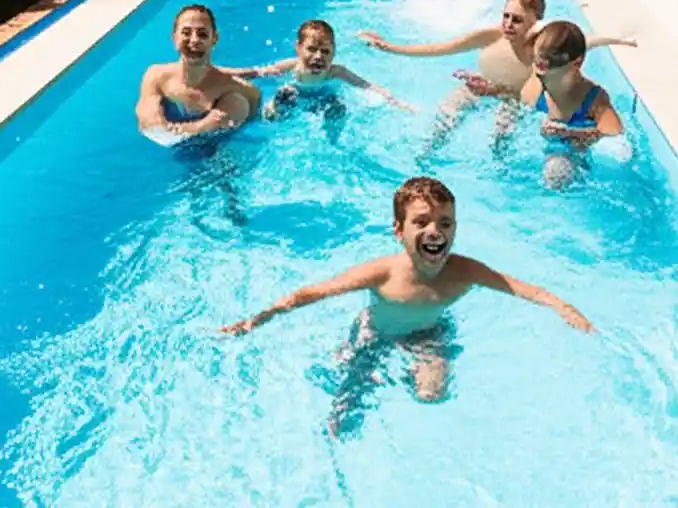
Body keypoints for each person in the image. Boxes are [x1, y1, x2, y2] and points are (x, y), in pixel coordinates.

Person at [221, 176, 594, 436]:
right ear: (399, 231)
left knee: (431, 396)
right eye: (422, 222)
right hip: (375, 332)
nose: (435, 231)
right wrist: (257, 320)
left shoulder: (465, 271)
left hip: (430, 335)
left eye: (445, 223)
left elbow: (523, 289)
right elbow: (314, 293)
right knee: (347, 402)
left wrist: (566, 309)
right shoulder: (382, 273)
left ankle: (404, 377)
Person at [354, 0, 634, 151]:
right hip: (478, 88)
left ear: (535, 23)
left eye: (517, 20)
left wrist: (617, 40)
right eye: (506, 16)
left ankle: (500, 170)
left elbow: (582, 43)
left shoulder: (541, 49)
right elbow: (438, 48)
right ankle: (427, 154)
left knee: (500, 137)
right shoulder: (489, 37)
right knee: (446, 115)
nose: (508, 24)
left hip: (512, 98)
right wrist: (388, 47)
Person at [226, 19, 414, 118]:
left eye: (325, 51)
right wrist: (227, 78)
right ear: (298, 48)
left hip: (323, 96)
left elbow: (366, 85)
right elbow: (258, 72)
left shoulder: (336, 72)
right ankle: (276, 109)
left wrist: (394, 101)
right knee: (284, 96)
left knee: (337, 108)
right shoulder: (290, 67)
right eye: (311, 49)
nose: (318, 56)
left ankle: (333, 143)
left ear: (333, 53)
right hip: (296, 95)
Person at [519, 20, 625, 189]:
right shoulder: (535, 85)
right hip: (536, 154)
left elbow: (616, 137)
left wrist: (572, 133)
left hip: (572, 158)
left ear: (576, 64)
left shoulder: (593, 98)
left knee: (556, 172)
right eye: (536, 60)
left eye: (546, 64)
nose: (539, 69)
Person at [135, 4, 262, 143]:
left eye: (202, 34)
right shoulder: (156, 77)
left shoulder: (237, 88)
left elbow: (258, 120)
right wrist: (187, 129)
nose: (194, 40)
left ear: (214, 39)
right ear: (174, 38)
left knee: (238, 102)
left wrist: (189, 128)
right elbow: (147, 120)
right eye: (186, 33)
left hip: (218, 151)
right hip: (175, 146)